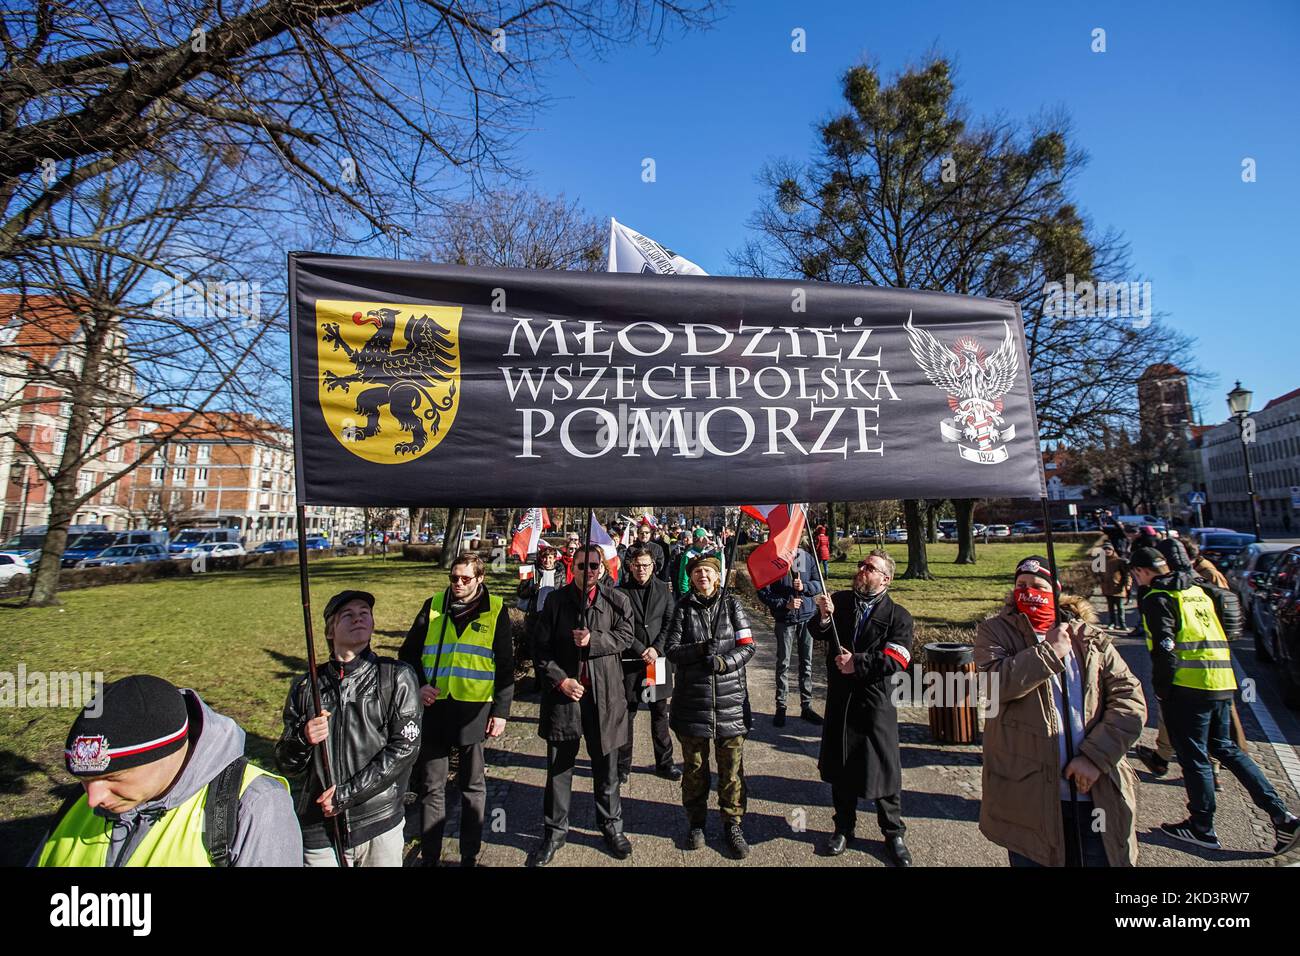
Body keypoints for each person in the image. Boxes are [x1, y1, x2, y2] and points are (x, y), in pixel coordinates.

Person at [974, 556, 1146, 867]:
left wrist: (1095, 757)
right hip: (1029, 796)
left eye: (1037, 586)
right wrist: (1049, 652)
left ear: (1055, 590)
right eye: (1020, 586)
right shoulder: (996, 632)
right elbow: (992, 687)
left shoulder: (1088, 637)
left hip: (1095, 791)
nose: (1027, 592)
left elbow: (1129, 698)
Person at [1131, 547, 1299, 854]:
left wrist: (1162, 690)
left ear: (1141, 571)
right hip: (1221, 680)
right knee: (1227, 749)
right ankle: (1281, 814)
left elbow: (1165, 649)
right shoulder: (1196, 591)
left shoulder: (1157, 597)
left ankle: (1201, 826)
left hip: (1187, 686)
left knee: (1194, 757)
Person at [36, 674, 301, 867]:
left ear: (167, 753)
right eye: (85, 780)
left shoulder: (255, 805)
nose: (92, 800)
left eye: (111, 777)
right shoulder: (78, 803)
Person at [277, 590, 422, 867]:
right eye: (348, 615)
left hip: (376, 820)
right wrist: (303, 738)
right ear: (330, 631)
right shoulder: (306, 686)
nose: (358, 619)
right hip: (319, 827)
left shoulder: (396, 676)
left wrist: (347, 794)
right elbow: (286, 763)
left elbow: (405, 748)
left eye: (364, 613)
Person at [401, 553, 513, 866]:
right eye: (454, 578)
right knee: (431, 787)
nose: (459, 584)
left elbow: (505, 665)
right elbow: (407, 653)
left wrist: (501, 711)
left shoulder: (496, 610)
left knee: (472, 787)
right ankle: (431, 856)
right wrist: (419, 685)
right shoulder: (434, 605)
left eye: (466, 578)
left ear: (480, 579)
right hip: (435, 708)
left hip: (473, 711)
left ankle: (469, 854)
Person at [530, 544, 636, 865]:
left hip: (604, 696)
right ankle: (555, 831)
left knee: (606, 768)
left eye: (593, 566)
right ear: (571, 568)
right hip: (565, 697)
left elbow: (627, 635)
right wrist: (561, 680)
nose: (587, 571)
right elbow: (540, 648)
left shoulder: (617, 600)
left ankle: (611, 826)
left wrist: (595, 640)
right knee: (559, 768)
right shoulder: (555, 601)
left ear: (602, 569)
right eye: (581, 566)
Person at [809, 551, 913, 866]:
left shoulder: (899, 616)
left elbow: (898, 660)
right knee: (841, 766)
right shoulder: (839, 600)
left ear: (886, 578)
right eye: (861, 565)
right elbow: (818, 632)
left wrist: (858, 662)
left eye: (870, 568)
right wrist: (824, 616)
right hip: (841, 700)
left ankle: (893, 832)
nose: (862, 571)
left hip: (875, 701)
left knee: (883, 769)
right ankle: (843, 826)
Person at [664, 554, 756, 859]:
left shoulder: (732, 605)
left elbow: (748, 646)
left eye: (708, 571)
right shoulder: (683, 608)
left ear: (717, 577)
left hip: (730, 703)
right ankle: (696, 822)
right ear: (691, 578)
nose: (703, 576)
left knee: (731, 772)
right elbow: (672, 651)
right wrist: (700, 650)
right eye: (697, 572)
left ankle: (733, 823)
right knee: (695, 769)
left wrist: (723, 661)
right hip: (693, 704)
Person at [617, 546, 681, 783]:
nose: (641, 569)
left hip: (656, 662)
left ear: (653, 566)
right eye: (637, 565)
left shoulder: (664, 590)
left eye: (645, 565)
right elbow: (620, 625)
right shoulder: (621, 591)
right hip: (631, 661)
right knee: (628, 714)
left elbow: (670, 621)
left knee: (659, 714)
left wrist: (656, 648)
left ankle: (665, 763)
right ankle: (622, 766)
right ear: (630, 566)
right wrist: (639, 648)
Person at [756, 546, 824, 728]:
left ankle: (806, 706)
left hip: (807, 617)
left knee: (806, 663)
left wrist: (805, 587)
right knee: (783, 663)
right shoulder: (772, 559)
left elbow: (819, 583)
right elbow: (763, 591)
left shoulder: (806, 557)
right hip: (785, 619)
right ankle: (781, 706)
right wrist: (785, 604)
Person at [518, 543, 563, 688]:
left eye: (550, 558)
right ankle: (538, 679)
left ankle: (551, 677)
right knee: (536, 648)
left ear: (555, 559)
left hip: (553, 616)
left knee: (552, 648)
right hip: (535, 616)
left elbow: (565, 593)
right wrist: (532, 588)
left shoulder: (560, 573)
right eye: (545, 558)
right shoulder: (533, 572)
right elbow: (521, 593)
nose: (547, 561)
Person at [671, 527, 720, 598]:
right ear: (700, 539)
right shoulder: (688, 555)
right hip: (693, 595)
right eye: (706, 537)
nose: (708, 540)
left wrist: (719, 552)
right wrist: (686, 595)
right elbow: (683, 579)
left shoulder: (705, 552)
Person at [1097, 540, 1129, 629]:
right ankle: (1112, 623)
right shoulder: (1101, 561)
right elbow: (1099, 573)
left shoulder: (1119, 561)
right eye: (1105, 549)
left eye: (1109, 549)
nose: (1107, 551)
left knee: (1120, 607)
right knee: (1110, 608)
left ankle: (1122, 624)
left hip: (1118, 587)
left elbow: (1126, 574)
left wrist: (1127, 584)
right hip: (1107, 588)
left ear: (1113, 550)